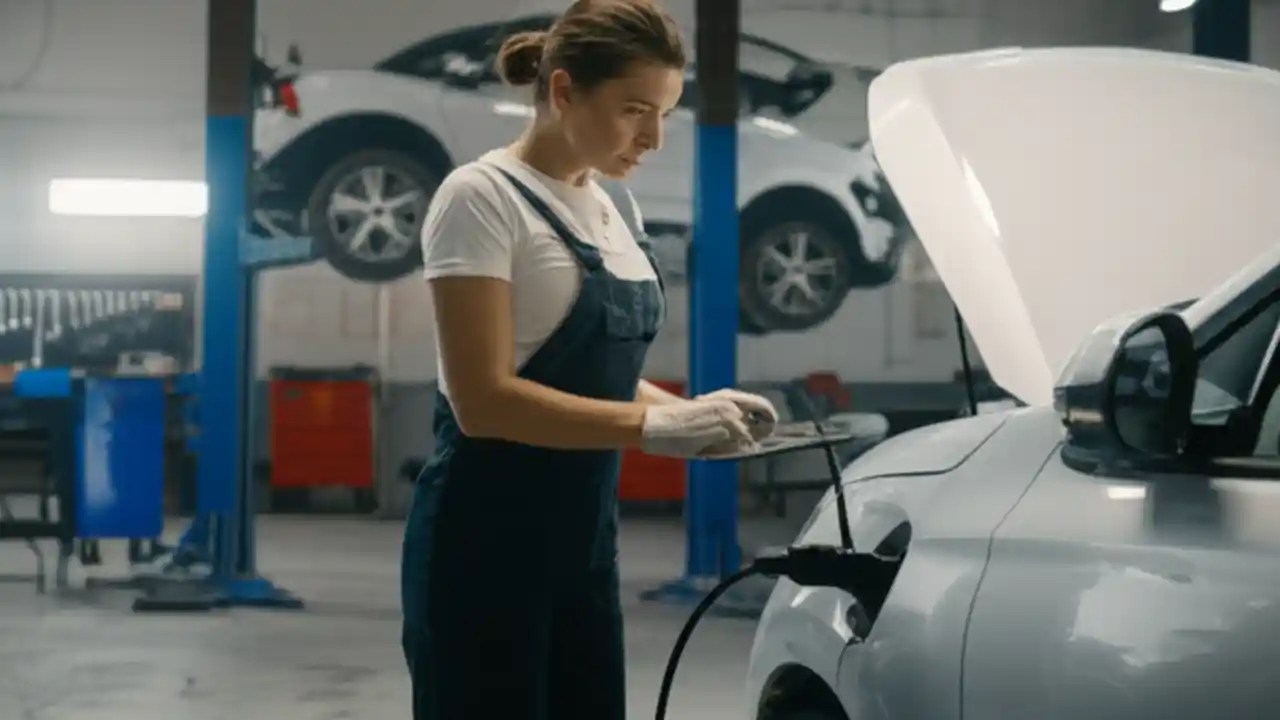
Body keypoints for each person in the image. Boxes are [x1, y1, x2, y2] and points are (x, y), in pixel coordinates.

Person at [400, 1, 780, 717]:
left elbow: (587, 370)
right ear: (565, 90)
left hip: (583, 550)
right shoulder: (481, 198)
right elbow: (483, 401)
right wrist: (650, 430)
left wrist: (695, 412)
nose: (655, 138)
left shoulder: (614, 209)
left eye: (665, 112)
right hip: (481, 548)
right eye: (636, 109)